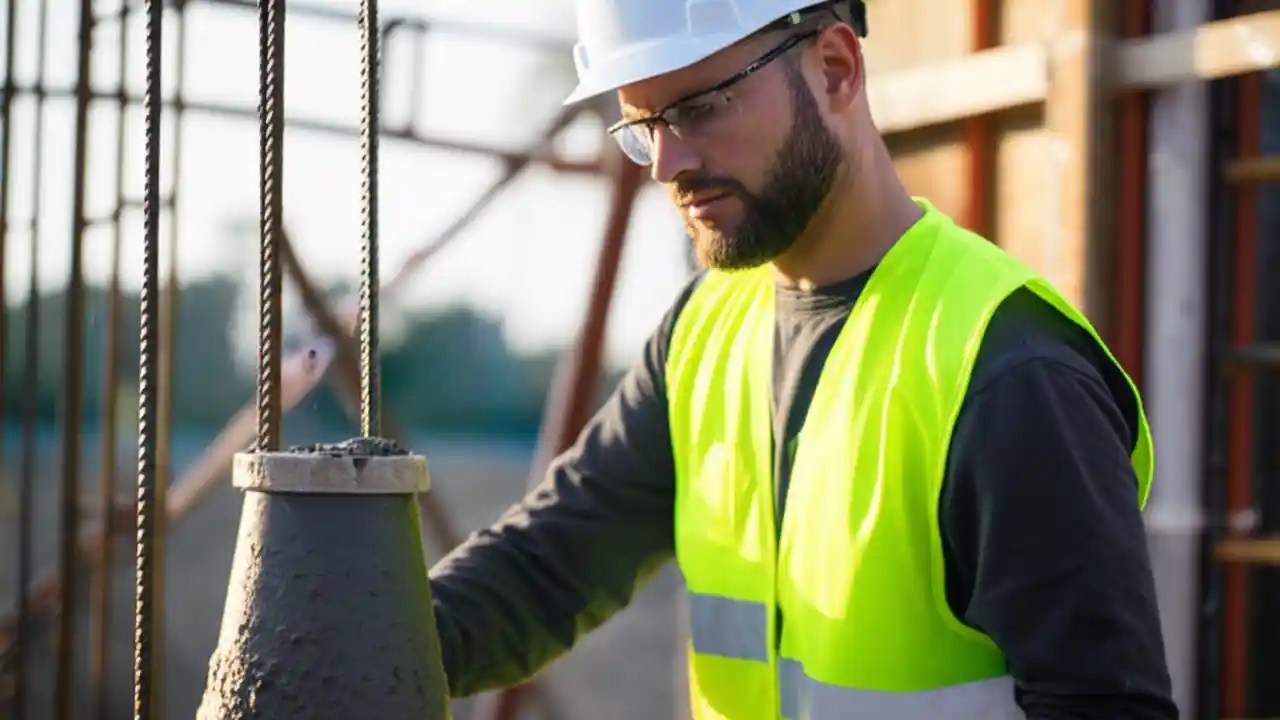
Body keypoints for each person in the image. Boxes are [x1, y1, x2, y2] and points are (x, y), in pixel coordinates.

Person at [427, 1, 1177, 718]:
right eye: (643, 125)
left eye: (698, 108)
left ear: (835, 69)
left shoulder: (1006, 373)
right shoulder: (701, 333)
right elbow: (544, 567)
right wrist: (355, 642)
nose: (667, 164)